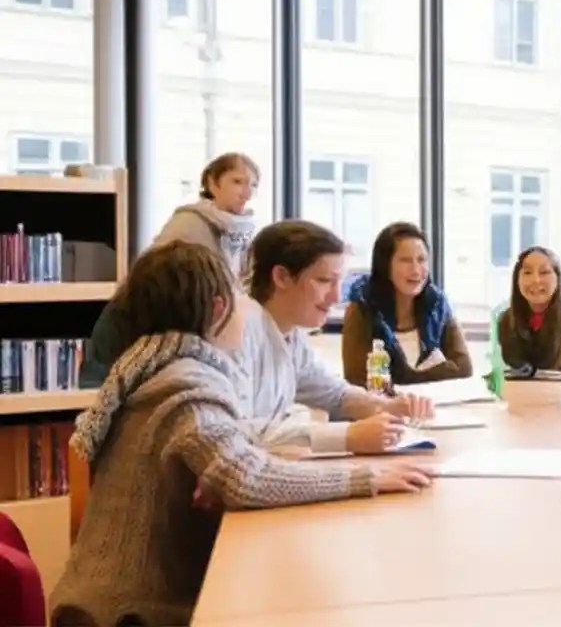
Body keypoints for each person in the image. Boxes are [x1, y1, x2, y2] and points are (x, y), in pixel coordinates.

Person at [49, 242, 435, 627]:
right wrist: (365, 479)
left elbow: (234, 461)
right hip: (128, 615)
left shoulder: (155, 368)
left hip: (105, 607)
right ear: (219, 310)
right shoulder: (186, 384)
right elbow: (247, 478)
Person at [242, 220, 433, 456]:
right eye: (324, 281)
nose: (335, 297)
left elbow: (334, 394)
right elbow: (239, 437)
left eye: (339, 283)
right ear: (281, 277)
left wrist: (385, 407)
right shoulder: (239, 333)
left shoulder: (289, 333)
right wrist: (347, 437)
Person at [79, 152, 260, 391]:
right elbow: (171, 288)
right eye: (237, 181)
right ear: (212, 183)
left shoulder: (239, 235)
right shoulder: (191, 224)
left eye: (253, 184)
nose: (246, 191)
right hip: (140, 319)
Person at [341, 222, 472, 387]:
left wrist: (406, 379)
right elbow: (357, 379)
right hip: (383, 411)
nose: (416, 270)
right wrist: (438, 371)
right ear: (385, 265)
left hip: (436, 409)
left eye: (421, 260)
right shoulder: (362, 308)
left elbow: (465, 368)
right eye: (405, 261)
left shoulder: (437, 304)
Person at [495, 246, 561, 375]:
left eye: (544, 272)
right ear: (517, 281)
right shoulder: (506, 321)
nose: (535, 280)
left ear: (558, 279)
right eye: (527, 272)